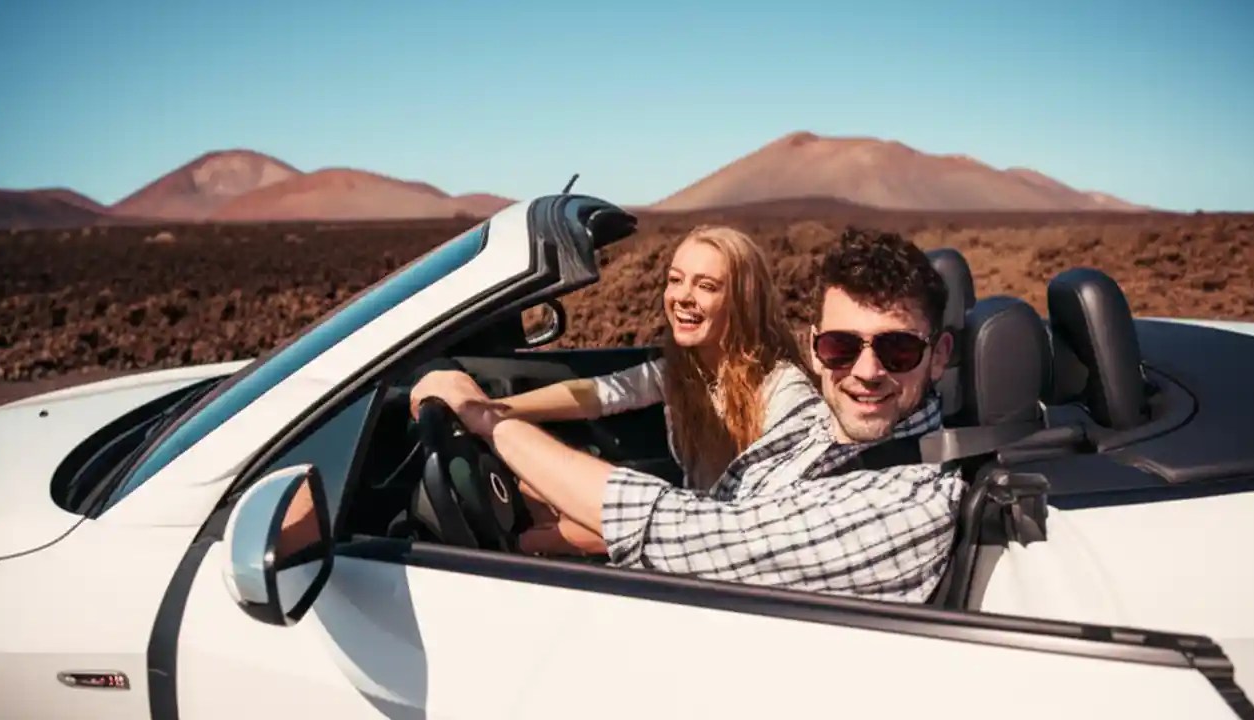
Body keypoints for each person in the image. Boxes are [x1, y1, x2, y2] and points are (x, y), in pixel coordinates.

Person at [409, 227, 964, 602]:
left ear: (939, 356)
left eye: (898, 351)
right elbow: (607, 393)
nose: (866, 372)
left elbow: (695, 530)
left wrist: (487, 422)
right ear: (817, 345)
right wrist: (498, 407)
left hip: (700, 573)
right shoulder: (817, 423)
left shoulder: (899, 503)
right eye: (842, 348)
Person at [491, 224, 822, 494]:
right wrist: (497, 410)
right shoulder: (686, 372)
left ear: (745, 302)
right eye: (675, 280)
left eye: (706, 286)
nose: (682, 297)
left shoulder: (783, 390)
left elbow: (776, 512)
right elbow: (601, 394)